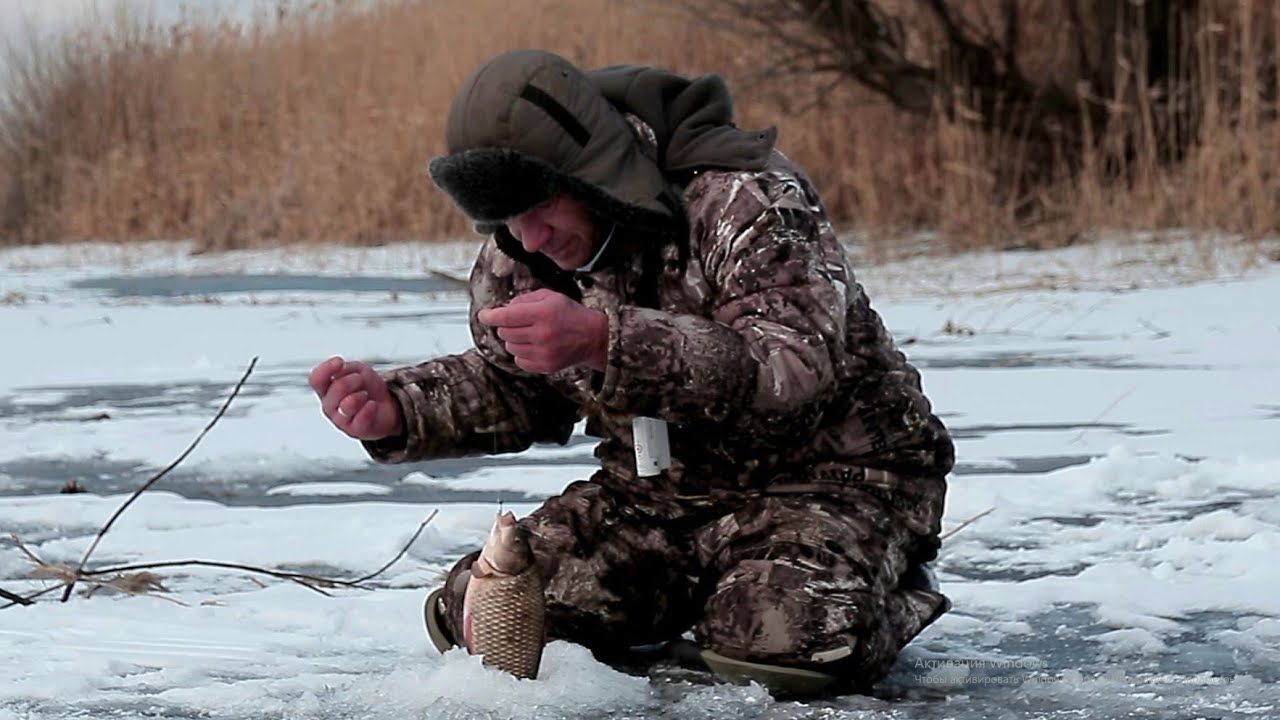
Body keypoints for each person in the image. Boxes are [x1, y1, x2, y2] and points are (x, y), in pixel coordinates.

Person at [309, 48, 954, 697]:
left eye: (541, 207)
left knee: (785, 639)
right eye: (505, 218)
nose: (528, 238)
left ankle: (886, 587)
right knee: (474, 615)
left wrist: (604, 340)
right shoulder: (522, 254)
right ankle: (702, 598)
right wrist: (400, 409)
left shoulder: (742, 198)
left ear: (589, 172)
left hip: (833, 479)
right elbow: (519, 385)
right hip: (655, 497)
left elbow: (789, 367)